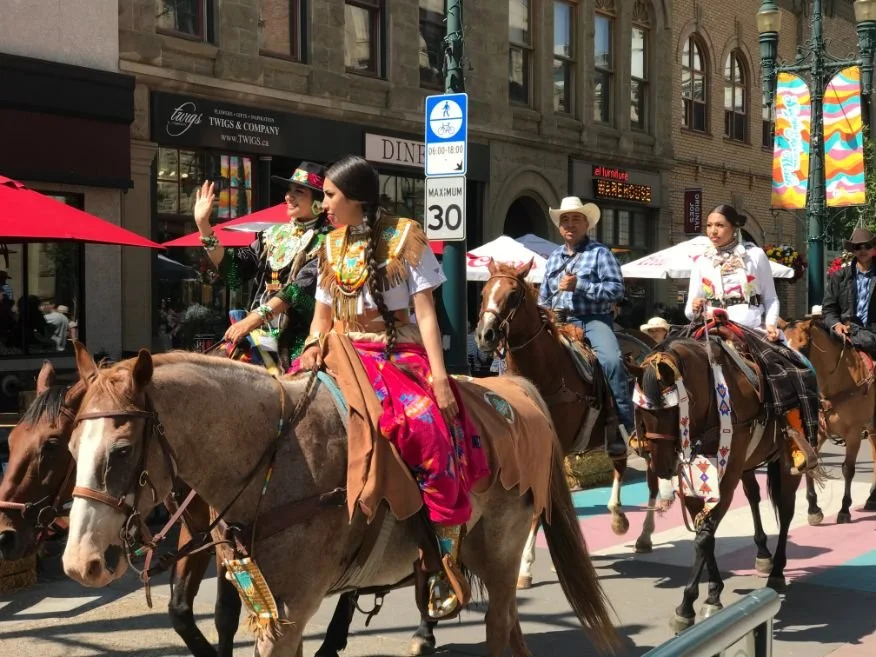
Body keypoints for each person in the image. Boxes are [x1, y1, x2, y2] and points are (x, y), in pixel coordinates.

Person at [296, 155, 490, 619]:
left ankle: (445, 556)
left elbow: (425, 311)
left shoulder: (405, 238)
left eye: (330, 195)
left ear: (356, 198)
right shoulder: (329, 246)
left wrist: (440, 376)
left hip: (395, 353)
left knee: (425, 427)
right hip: (342, 351)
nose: (324, 204)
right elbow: (321, 319)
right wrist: (307, 352)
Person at [685, 204, 819, 474]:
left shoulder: (754, 256)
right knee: (675, 362)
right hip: (710, 326)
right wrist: (696, 305)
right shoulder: (700, 261)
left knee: (791, 367)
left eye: (720, 225)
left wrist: (770, 325)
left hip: (749, 326)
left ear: (735, 228)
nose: (713, 230)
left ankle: (795, 439)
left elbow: (770, 298)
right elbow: (689, 309)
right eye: (710, 225)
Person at [193, 161, 333, 372]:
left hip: (299, 341)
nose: (288, 196)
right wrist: (204, 227)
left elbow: (296, 291)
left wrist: (251, 321)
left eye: (299, 191)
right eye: (289, 191)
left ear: (318, 202)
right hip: (260, 335)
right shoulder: (272, 235)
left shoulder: (330, 242)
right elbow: (234, 273)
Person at [537, 196, 631, 457]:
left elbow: (616, 291)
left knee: (611, 361)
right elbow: (543, 296)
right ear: (559, 227)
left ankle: (624, 426)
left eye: (575, 219)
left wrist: (581, 285)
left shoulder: (601, 253)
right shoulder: (554, 258)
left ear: (586, 224)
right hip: (558, 321)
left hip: (593, 320)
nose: (570, 224)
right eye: (565, 220)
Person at [822, 227, 876, 355]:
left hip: (872, 336)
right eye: (858, 247)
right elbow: (828, 309)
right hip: (846, 331)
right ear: (853, 250)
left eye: (867, 246)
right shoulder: (839, 276)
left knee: (868, 340)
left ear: (873, 248)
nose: (863, 250)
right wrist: (836, 324)